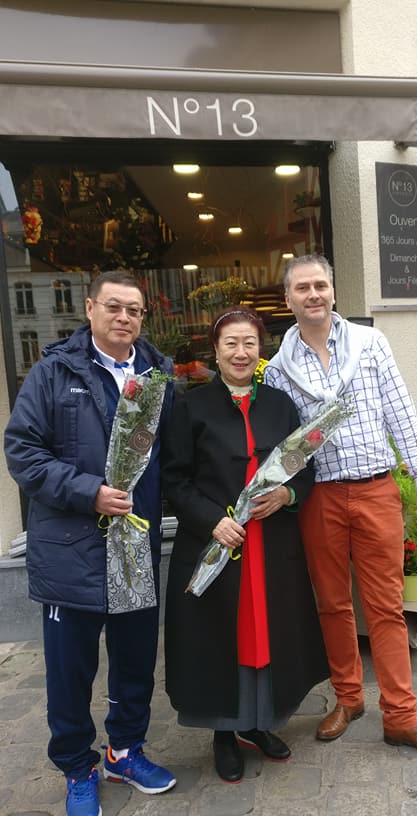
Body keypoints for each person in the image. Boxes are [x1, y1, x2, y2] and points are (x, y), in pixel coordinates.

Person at [264, 254, 417, 761]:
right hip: (321, 498)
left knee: (387, 608)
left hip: (376, 491)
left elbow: (401, 410)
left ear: (333, 291)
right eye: (302, 288)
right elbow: (283, 443)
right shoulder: (279, 370)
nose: (313, 294)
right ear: (287, 299)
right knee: (332, 604)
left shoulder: (370, 344)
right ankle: (348, 698)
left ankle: (401, 717)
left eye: (320, 285)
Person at [4, 270, 177, 816]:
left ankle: (124, 751)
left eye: (134, 310)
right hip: (70, 549)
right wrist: (89, 493)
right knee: (69, 671)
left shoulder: (158, 374)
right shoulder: (54, 372)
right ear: (90, 309)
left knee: (135, 659)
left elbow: (173, 456)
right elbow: (22, 452)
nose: (124, 317)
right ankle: (78, 767)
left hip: (134, 544)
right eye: (114, 306)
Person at [161, 306, 328, 783]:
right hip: (216, 544)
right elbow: (174, 480)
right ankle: (223, 733)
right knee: (221, 636)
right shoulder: (191, 406)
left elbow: (305, 467)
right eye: (231, 343)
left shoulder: (280, 404)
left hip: (271, 546)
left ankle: (257, 723)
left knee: (268, 632)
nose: (240, 352)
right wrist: (213, 521)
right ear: (215, 351)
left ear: (261, 351)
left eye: (249, 343)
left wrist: (288, 495)